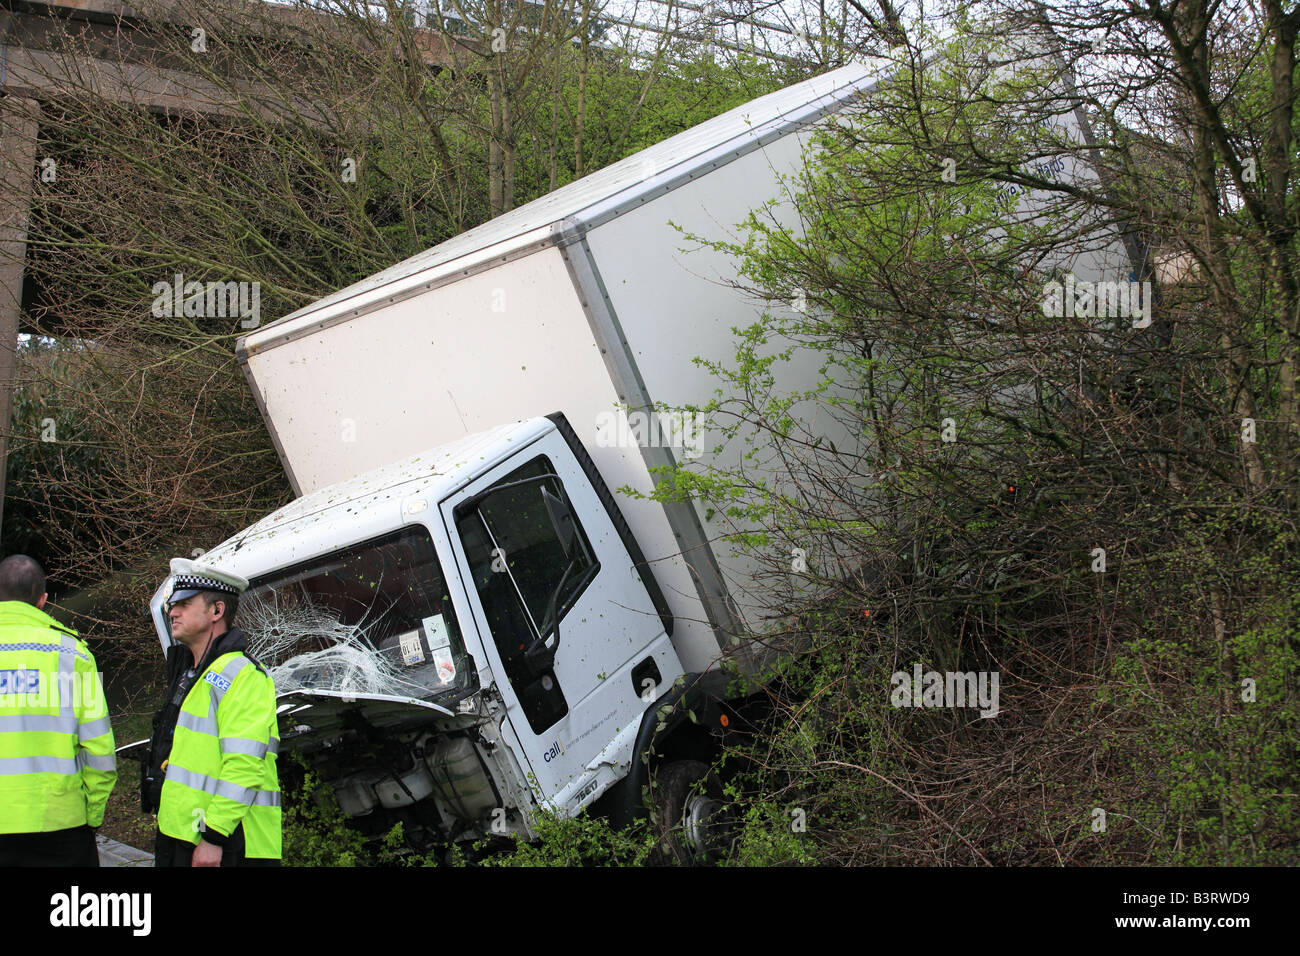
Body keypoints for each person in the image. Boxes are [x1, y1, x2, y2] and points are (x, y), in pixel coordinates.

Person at [144, 558, 281, 867]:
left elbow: (244, 764)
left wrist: (214, 837)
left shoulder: (242, 675)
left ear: (217, 611)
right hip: (182, 834)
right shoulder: (192, 673)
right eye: (171, 604)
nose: (172, 611)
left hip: (228, 842)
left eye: (184, 603)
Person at [0, 554, 116, 866]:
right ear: (43, 600)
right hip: (61, 825)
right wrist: (92, 815)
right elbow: (100, 750)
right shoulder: (72, 654)